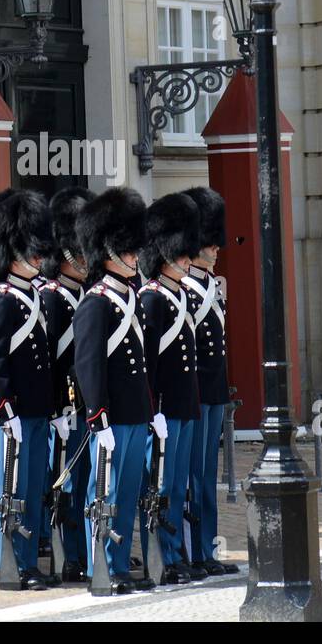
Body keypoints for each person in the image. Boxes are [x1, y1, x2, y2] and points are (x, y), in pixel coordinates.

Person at [73, 187, 154, 595]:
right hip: (111, 416)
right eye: (127, 250)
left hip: (135, 412)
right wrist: (97, 415)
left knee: (128, 492)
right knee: (104, 493)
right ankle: (100, 566)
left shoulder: (130, 296)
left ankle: (120, 564)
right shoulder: (96, 302)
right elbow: (88, 366)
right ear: (109, 251)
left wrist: (151, 409)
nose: (134, 256)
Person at [0, 188, 57, 590]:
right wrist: (4, 409)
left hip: (37, 410)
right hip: (14, 413)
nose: (38, 258)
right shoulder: (1, 299)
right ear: (12, 252)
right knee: (12, 491)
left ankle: (29, 561)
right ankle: (14, 564)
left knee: (33, 488)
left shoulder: (32, 295)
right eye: (31, 250)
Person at [138, 192, 204, 585]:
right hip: (163, 407)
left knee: (177, 485)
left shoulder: (180, 294)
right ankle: (161, 554)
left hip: (183, 404)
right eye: (181, 255)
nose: (188, 260)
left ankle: (176, 551)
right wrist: (153, 409)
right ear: (164, 254)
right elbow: (147, 362)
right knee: (160, 485)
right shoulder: (151, 298)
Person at [180, 186, 239, 577]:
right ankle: (193, 551)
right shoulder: (186, 288)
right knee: (192, 475)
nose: (216, 249)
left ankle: (207, 548)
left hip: (214, 391)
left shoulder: (214, 285)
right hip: (195, 392)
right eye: (210, 242)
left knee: (207, 475)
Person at [38, 186, 95, 583]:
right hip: (64, 407)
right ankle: (68, 553)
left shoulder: (88, 293)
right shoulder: (51, 296)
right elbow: (48, 360)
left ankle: (87, 551)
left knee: (90, 478)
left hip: (89, 404)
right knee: (66, 481)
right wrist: (56, 407)